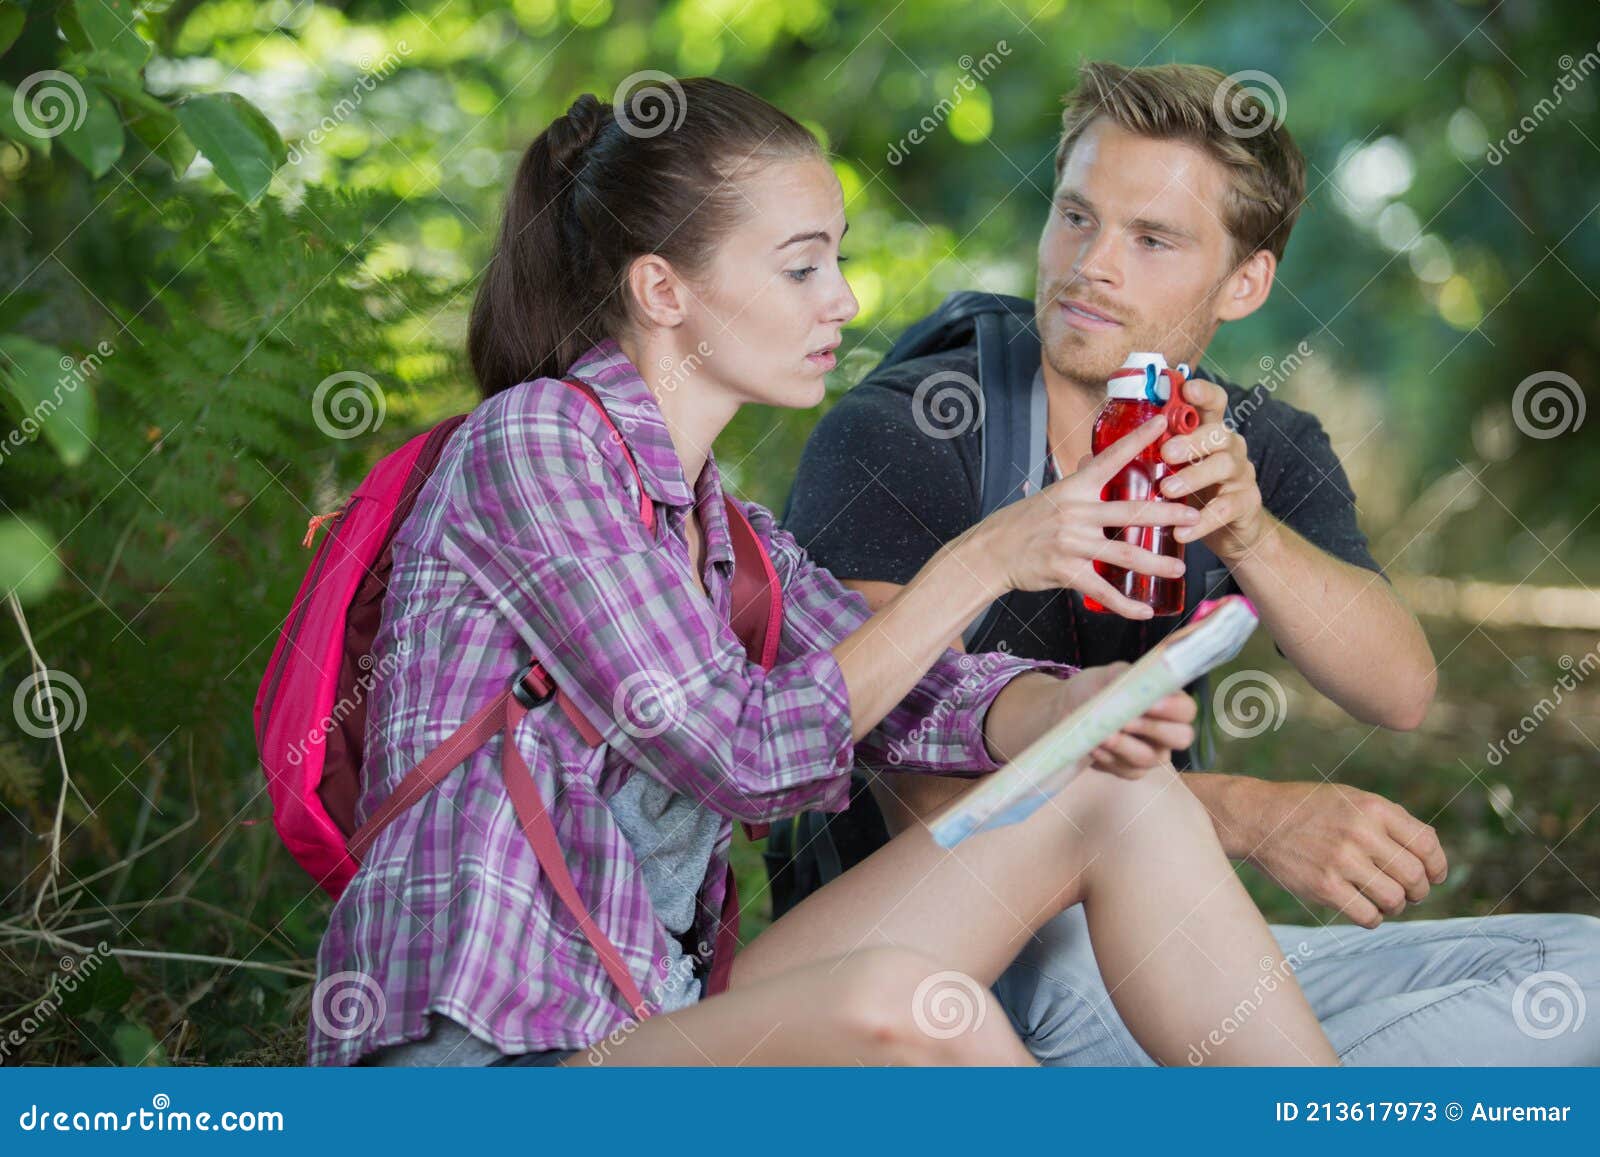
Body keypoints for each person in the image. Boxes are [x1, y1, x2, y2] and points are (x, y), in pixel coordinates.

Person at [308, 77, 1340, 1067]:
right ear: (662, 287)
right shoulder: (534, 447)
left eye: (837, 261)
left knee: (1117, 798)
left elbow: (916, 698)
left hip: (651, 1021)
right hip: (491, 1058)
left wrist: (1079, 705)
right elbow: (736, 747)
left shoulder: (724, 529)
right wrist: (985, 557)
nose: (844, 301)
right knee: (907, 1007)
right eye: (801, 267)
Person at [782, 60, 1600, 1065]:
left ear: (1244, 281)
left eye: (1152, 238)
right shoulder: (910, 426)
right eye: (1075, 216)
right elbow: (912, 777)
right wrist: (1250, 817)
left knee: (1581, 968)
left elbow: (1400, 689)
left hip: (1170, 943)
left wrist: (1246, 531)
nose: (1091, 264)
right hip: (961, 961)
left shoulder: (1255, 442)